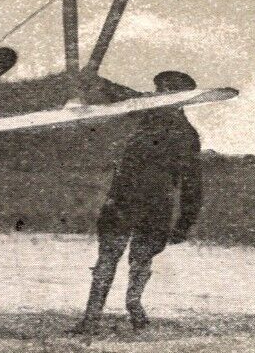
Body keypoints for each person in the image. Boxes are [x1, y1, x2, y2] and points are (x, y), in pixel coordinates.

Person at [71, 70, 204, 335]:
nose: (156, 94)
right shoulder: (158, 122)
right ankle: (98, 315)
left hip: (144, 202)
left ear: (180, 98)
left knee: (131, 258)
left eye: (163, 90)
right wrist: (94, 81)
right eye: (157, 89)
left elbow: (192, 182)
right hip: (133, 200)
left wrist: (184, 222)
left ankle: (125, 308)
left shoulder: (180, 133)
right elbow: (126, 96)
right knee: (113, 257)